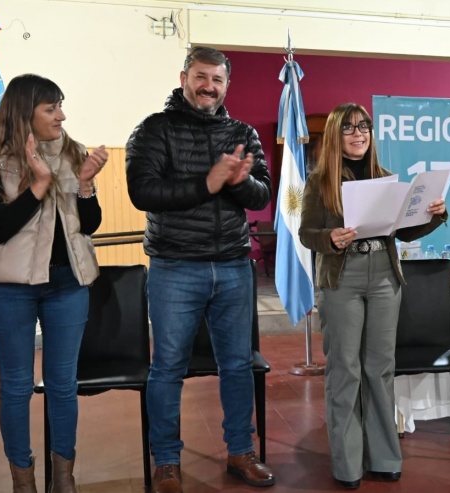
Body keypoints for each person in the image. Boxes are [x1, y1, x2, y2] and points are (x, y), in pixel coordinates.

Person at [125, 46, 275, 492]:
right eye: (201, 76)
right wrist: (207, 183)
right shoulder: (154, 130)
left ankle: (240, 452)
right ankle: (167, 461)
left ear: (227, 84)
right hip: (175, 266)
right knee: (168, 367)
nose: (209, 85)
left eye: (218, 79)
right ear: (184, 77)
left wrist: (239, 182)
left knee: (236, 365)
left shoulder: (242, 131)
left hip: (233, 265)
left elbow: (263, 194)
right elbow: (144, 192)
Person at [298, 103, 447, 490]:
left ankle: (383, 456)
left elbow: (403, 232)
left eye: (364, 127)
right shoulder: (320, 181)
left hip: (384, 275)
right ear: (335, 135)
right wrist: (329, 238)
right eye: (349, 128)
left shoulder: (385, 178)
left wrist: (434, 215)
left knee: (379, 368)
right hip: (342, 277)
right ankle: (347, 463)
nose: (358, 134)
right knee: (344, 369)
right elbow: (306, 233)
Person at [0, 73, 108, 493]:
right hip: (9, 290)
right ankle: (23, 481)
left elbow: (90, 225)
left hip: (67, 286)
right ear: (23, 112)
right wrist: (38, 186)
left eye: (60, 106)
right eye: (51, 108)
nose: (61, 115)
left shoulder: (71, 151)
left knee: (63, 385)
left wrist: (84, 184)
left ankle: (63, 478)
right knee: (15, 387)